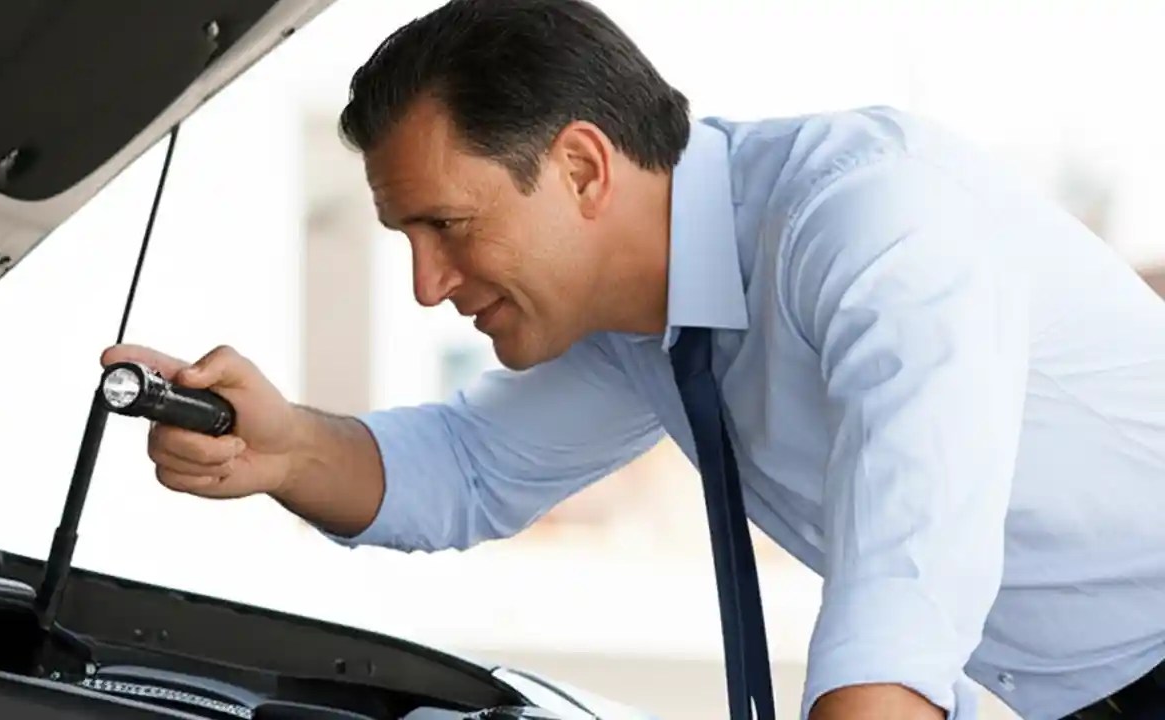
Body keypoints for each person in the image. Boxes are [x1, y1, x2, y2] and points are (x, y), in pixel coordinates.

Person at [101, 0, 1165, 718]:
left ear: (578, 165)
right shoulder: (639, 322)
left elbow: (908, 577)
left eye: (447, 227)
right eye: (405, 241)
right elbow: (466, 471)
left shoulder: (868, 222)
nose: (428, 284)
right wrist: (283, 450)